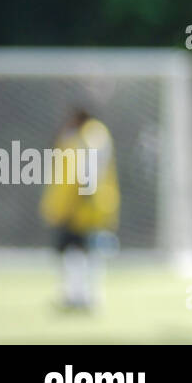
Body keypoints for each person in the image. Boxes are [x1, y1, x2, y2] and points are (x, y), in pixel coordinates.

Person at [38, 108, 120, 312]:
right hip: (83, 204)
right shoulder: (83, 136)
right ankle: (79, 296)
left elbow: (87, 171)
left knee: (79, 249)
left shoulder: (91, 135)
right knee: (80, 250)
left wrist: (81, 198)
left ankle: (82, 297)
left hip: (81, 206)